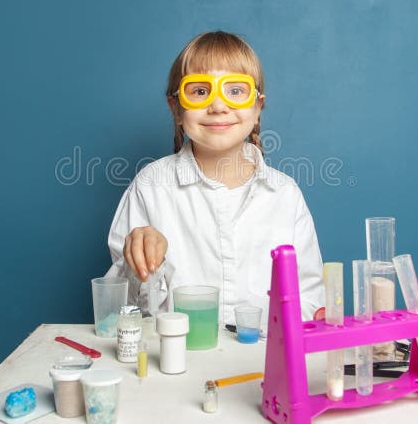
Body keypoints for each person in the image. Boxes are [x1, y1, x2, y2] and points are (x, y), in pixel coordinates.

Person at [104, 31, 324, 324]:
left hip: (260, 360)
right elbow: (125, 310)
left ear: (257, 108)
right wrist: (140, 264)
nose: (219, 106)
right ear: (177, 109)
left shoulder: (285, 194)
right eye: (199, 91)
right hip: (178, 361)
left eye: (235, 91)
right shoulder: (150, 187)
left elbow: (311, 300)